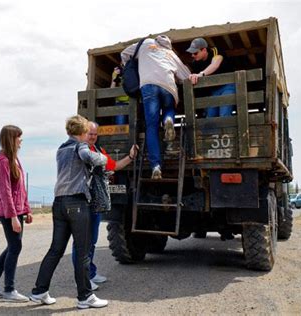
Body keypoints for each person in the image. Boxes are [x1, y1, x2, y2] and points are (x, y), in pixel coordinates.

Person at [30, 115, 109, 309]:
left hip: (59, 203)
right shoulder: (79, 146)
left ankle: (39, 291)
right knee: (82, 251)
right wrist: (103, 158)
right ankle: (85, 297)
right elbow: (88, 156)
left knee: (55, 250)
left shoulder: (61, 149)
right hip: (77, 203)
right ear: (82, 132)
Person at [71, 121, 138, 289]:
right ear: (83, 133)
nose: (92, 137)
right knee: (81, 242)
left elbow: (114, 166)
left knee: (92, 239)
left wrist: (130, 157)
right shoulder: (80, 150)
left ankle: (90, 273)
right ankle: (83, 278)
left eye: (95, 134)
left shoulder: (98, 150)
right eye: (89, 134)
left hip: (95, 201)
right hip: (83, 200)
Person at [121, 35, 190, 179]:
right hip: (168, 86)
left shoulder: (145, 43)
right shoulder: (171, 54)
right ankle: (168, 120)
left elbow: (125, 54)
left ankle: (156, 166)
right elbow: (185, 76)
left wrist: (137, 68)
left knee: (151, 127)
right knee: (169, 108)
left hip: (148, 85)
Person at [0, 125, 32, 302]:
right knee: (15, 247)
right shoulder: (3, 161)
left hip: (17, 211)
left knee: (13, 246)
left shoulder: (14, 159)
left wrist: (26, 209)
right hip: (8, 212)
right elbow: (4, 192)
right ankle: (9, 289)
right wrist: (13, 217)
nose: (21, 140)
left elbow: (20, 188)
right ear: (11, 139)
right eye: (19, 137)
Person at [187, 37, 236, 117]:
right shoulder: (195, 63)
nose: (193, 55)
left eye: (195, 53)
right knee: (210, 117)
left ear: (204, 50)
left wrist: (200, 74)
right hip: (213, 91)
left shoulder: (215, 51)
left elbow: (215, 65)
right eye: (191, 53)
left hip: (227, 86)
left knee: (224, 114)